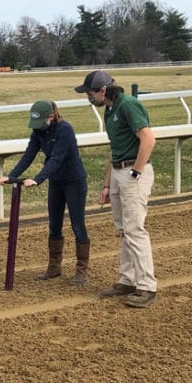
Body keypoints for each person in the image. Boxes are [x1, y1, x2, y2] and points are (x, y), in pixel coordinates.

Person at [75, 70, 158, 308]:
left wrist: (136, 172)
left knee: (135, 230)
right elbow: (114, 150)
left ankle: (147, 286)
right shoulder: (110, 111)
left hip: (134, 173)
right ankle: (127, 280)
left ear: (102, 91)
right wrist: (107, 183)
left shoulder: (128, 106)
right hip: (119, 173)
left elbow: (148, 139)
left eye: (90, 93)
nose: (88, 97)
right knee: (124, 231)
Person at [0, 100, 90, 285]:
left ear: (50, 116)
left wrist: (38, 179)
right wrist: (11, 176)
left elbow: (56, 159)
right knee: (54, 225)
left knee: (77, 225)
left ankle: (82, 271)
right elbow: (29, 155)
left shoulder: (65, 130)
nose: (38, 128)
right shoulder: (38, 132)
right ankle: (54, 267)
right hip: (56, 181)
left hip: (74, 182)